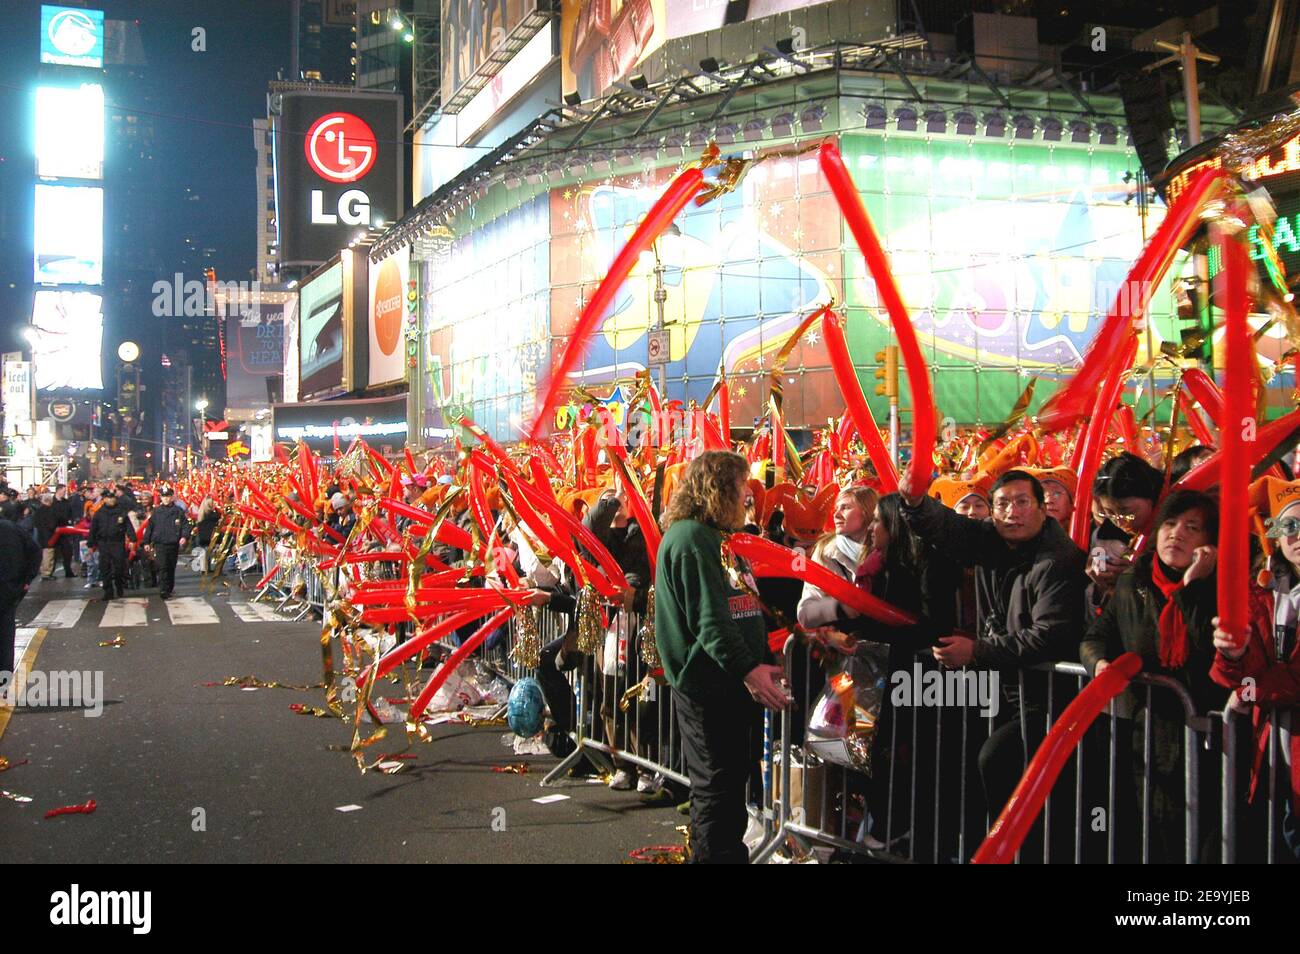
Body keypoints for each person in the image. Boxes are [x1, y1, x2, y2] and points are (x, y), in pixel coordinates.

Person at [900, 467, 1087, 827]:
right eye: (1001, 503)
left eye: (1021, 502)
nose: (1011, 512)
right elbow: (948, 527)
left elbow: (1048, 636)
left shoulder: (1058, 561)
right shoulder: (991, 540)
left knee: (1000, 762)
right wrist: (916, 501)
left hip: (1050, 698)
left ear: (1042, 508)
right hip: (1004, 690)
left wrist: (977, 651)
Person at [655, 450, 788, 863]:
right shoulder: (691, 539)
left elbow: (744, 607)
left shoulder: (718, 539)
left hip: (729, 683)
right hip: (708, 687)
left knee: (730, 787)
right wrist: (750, 669)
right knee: (717, 788)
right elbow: (710, 619)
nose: (748, 494)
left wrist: (762, 659)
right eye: (741, 485)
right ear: (717, 488)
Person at [1079, 489, 1224, 862]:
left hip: (1205, 734)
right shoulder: (1134, 582)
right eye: (1171, 524)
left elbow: (1207, 655)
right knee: (1151, 828)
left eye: (1192, 528)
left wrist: (1192, 587)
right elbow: (1096, 639)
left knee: (1200, 834)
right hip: (1147, 729)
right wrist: (1099, 664)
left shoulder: (1220, 587)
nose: (1177, 534)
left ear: (1210, 544)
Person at [1211, 476, 1300, 860]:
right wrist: (1232, 653)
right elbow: (1234, 675)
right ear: (1276, 537)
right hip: (1274, 759)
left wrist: (1248, 691)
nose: (1298, 535)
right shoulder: (1265, 594)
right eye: (1289, 526)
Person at [0, 511, 42, 687]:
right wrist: (26, 580)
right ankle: (3, 681)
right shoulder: (13, 529)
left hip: (9, 587)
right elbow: (34, 552)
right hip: (9, 589)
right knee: (5, 636)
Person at [144, 487, 190, 600]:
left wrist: (184, 536)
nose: (166, 499)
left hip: (173, 543)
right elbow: (150, 527)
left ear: (172, 497)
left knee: (170, 567)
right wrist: (146, 542)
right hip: (160, 544)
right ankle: (163, 589)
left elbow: (185, 526)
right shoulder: (157, 512)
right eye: (163, 497)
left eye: (168, 496)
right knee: (162, 566)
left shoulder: (178, 511)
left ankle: (169, 587)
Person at [88, 489, 132, 602]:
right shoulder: (99, 513)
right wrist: (91, 543)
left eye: (112, 498)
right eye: (108, 498)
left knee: (119, 567)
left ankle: (119, 585)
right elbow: (93, 529)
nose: (111, 500)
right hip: (104, 543)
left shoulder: (121, 512)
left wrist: (132, 539)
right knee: (105, 568)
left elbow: (128, 526)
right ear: (104, 499)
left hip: (117, 542)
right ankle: (108, 591)